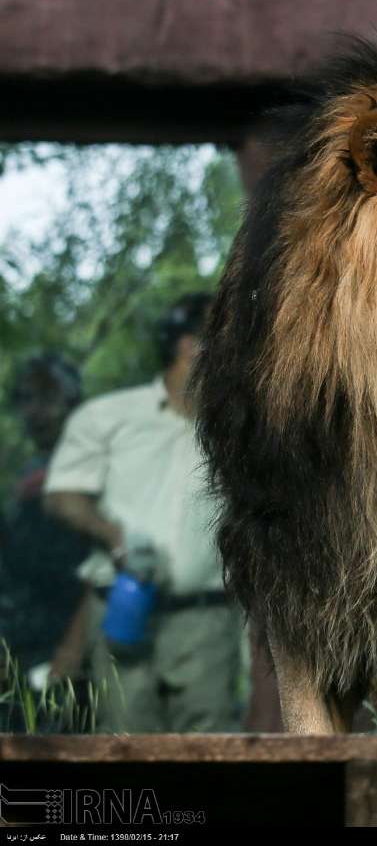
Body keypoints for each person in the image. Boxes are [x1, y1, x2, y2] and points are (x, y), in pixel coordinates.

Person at [43, 293, 242, 733]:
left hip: (206, 619)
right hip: (122, 606)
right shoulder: (109, 416)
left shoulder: (239, 430)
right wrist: (113, 536)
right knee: (125, 744)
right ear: (190, 345)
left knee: (210, 752)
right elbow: (62, 496)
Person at [0, 353, 93, 730]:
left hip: (73, 660)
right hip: (18, 654)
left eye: (47, 397)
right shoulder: (26, 475)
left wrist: (71, 651)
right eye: (26, 398)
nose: (35, 411)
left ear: (72, 403)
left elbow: (103, 572)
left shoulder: (95, 471)